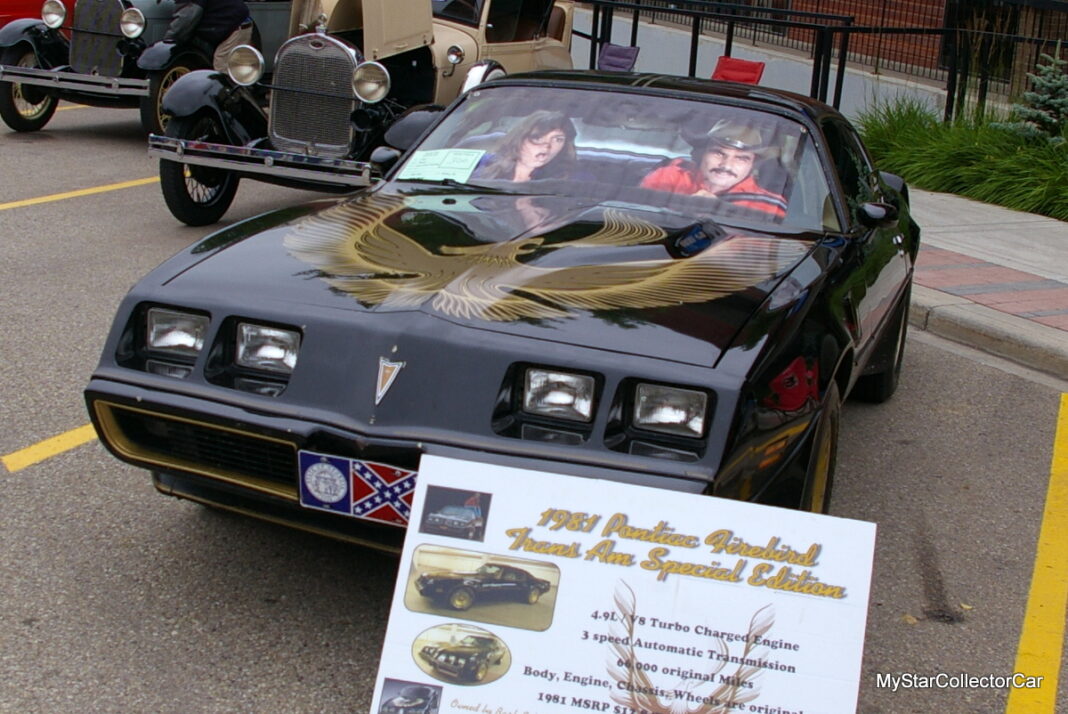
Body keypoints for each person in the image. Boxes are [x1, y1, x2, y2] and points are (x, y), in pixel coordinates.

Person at [640, 120, 787, 218]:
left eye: (741, 158)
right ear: (701, 154)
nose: (726, 165)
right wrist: (682, 211)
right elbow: (637, 223)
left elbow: (758, 255)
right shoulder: (668, 177)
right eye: (718, 153)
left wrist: (718, 213)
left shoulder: (770, 204)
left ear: (752, 164)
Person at [473, 110, 580, 182]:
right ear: (520, 139)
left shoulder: (575, 179)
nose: (546, 146)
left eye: (558, 139)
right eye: (537, 138)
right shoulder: (481, 163)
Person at [163, 0, 253, 73]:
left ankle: (228, 94)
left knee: (221, 67)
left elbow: (185, 20)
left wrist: (166, 44)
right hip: (224, 24)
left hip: (235, 26)